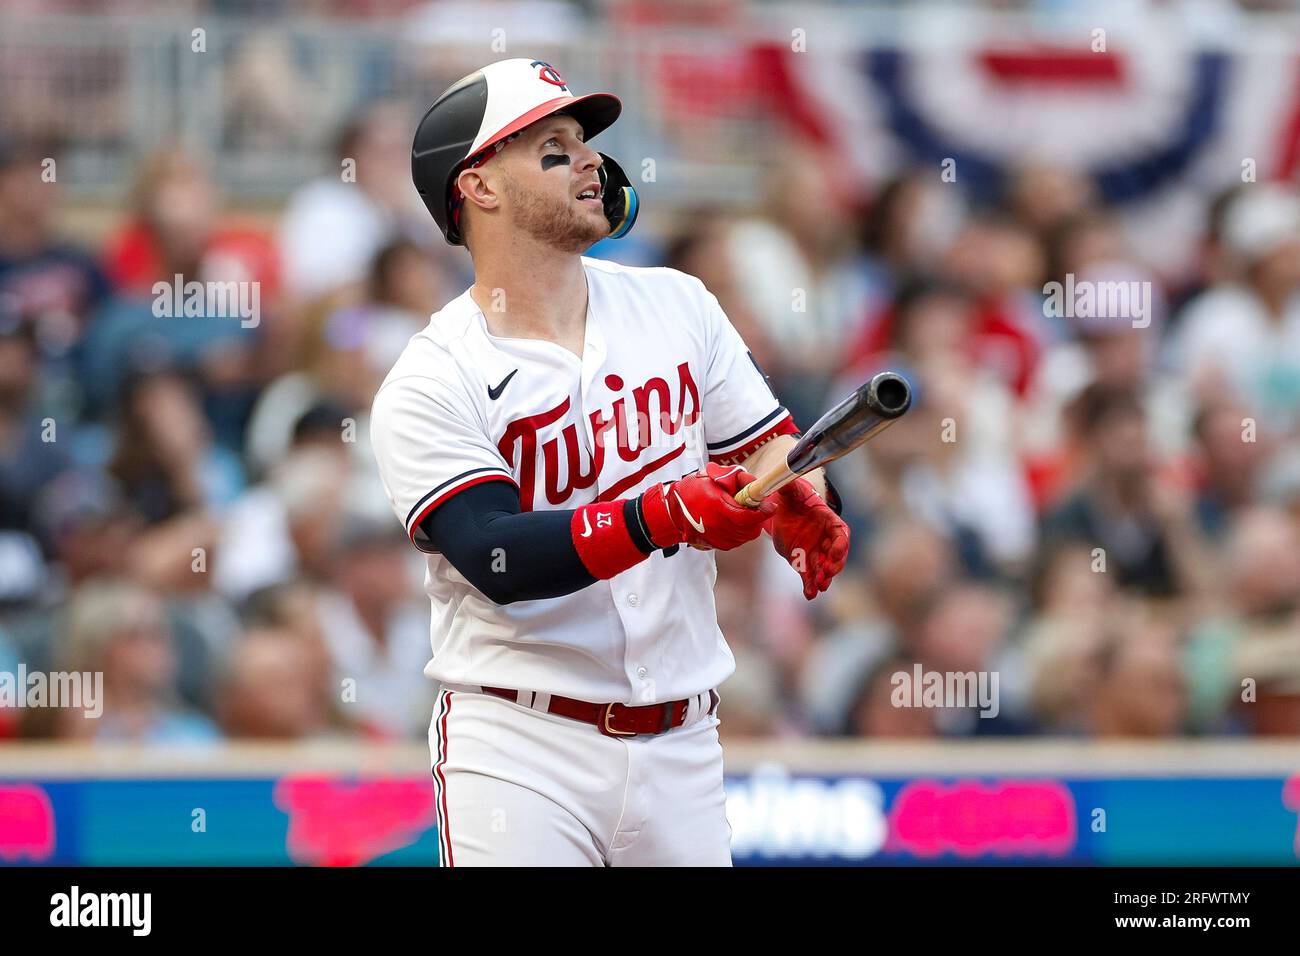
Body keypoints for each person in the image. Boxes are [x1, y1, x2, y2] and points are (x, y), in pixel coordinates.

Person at [370, 59, 850, 866]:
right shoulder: (431, 376)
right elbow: (499, 554)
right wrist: (663, 513)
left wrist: (800, 489)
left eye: (585, 142)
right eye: (553, 147)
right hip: (520, 746)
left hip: (685, 741)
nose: (590, 158)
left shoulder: (678, 303)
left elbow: (769, 443)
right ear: (479, 185)